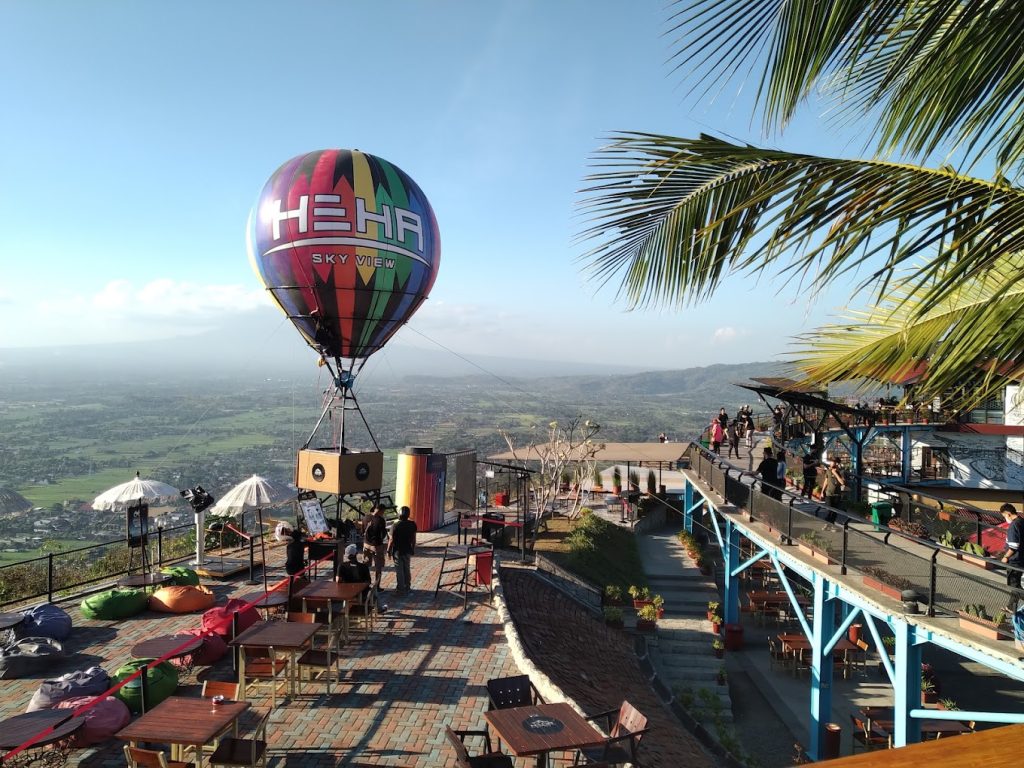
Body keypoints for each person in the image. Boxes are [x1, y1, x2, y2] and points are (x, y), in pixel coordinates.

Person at [388, 506, 417, 596]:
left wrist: (388, 550)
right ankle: (407, 586)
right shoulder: (412, 524)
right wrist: (413, 548)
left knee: (399, 570)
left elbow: (391, 540)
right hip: (407, 550)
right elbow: (414, 539)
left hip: (397, 551)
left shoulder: (395, 525)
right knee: (406, 569)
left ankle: (401, 589)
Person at [1000, 503, 1024, 604]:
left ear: (1008, 514)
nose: (1005, 518)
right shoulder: (1022, 521)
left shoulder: (1013, 525)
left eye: (1004, 516)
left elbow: (1013, 546)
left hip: (1015, 559)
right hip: (1022, 558)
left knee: (1014, 584)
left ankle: (1011, 607)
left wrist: (1006, 557)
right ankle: (1011, 607)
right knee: (1015, 584)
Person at [363, 505, 389, 589]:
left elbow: (362, 530)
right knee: (378, 566)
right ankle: (377, 586)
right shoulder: (381, 520)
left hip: (366, 544)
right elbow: (383, 534)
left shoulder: (366, 517)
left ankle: (365, 584)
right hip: (377, 546)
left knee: (366, 565)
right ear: (381, 511)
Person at [822, 459, 846, 528]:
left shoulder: (841, 472)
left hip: (837, 494)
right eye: (831, 463)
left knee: (834, 511)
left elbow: (842, 482)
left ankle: (831, 524)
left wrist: (835, 473)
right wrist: (822, 491)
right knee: (829, 509)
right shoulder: (828, 471)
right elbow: (826, 481)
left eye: (833, 463)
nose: (831, 465)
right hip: (829, 493)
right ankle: (827, 523)